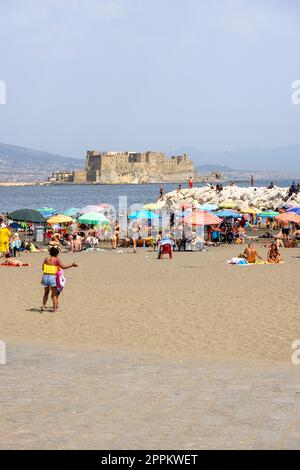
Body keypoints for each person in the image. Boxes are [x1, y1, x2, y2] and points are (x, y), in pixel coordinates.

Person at [41, 246, 78, 312]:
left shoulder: (46, 258)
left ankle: (43, 306)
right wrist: (72, 265)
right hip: (52, 277)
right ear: (56, 254)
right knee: (54, 294)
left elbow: (43, 268)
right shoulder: (57, 259)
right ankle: (54, 309)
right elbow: (63, 267)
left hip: (45, 277)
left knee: (46, 293)